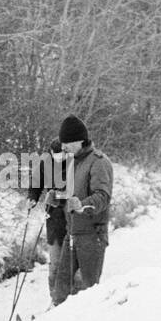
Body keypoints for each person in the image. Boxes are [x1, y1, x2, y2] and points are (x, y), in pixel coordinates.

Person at [44, 115, 112, 305]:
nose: (63, 147)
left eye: (67, 143)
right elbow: (69, 193)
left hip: (92, 236)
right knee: (61, 290)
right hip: (71, 234)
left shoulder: (99, 162)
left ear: (79, 140)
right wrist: (56, 198)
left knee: (86, 292)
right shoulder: (74, 161)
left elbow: (103, 196)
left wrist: (82, 205)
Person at [27, 138, 71, 306]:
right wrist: (32, 198)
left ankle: (77, 297)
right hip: (53, 218)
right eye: (56, 154)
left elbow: (78, 189)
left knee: (73, 260)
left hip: (73, 218)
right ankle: (55, 299)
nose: (59, 157)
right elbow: (36, 183)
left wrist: (58, 196)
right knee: (55, 261)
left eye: (62, 153)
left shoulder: (75, 162)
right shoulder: (45, 162)